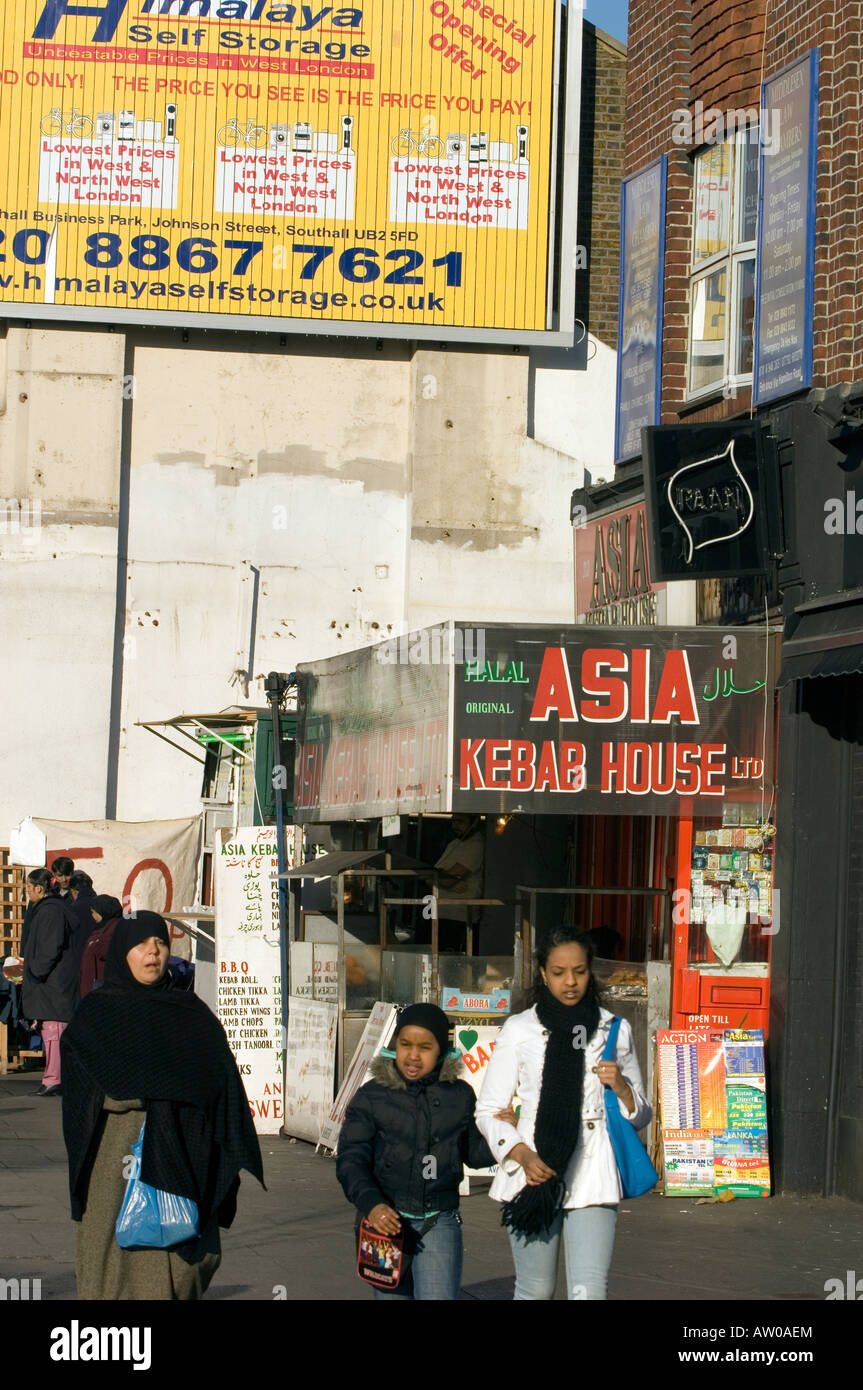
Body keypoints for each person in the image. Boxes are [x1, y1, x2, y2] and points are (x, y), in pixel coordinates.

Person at [60, 912, 264, 1301]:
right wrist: (145, 1092)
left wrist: (182, 1103)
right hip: (112, 1154)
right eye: (141, 944)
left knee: (179, 1261)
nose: (152, 952)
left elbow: (222, 1086)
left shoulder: (191, 1015)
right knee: (110, 1257)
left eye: (160, 943)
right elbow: (80, 1087)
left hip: (182, 1152)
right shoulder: (96, 1014)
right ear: (122, 953)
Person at [475, 926, 650, 1301]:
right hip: (534, 1173)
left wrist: (621, 1087)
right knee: (535, 1291)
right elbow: (488, 1110)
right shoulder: (519, 1029)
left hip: (593, 1171)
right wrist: (520, 1153)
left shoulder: (613, 1030)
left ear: (591, 971)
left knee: (588, 1292)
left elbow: (642, 1116)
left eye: (580, 971)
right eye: (558, 972)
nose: (570, 982)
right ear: (542, 974)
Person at [336, 1002, 494, 1301]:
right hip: (383, 1224)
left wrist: (502, 1132)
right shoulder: (372, 1096)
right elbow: (351, 1160)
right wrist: (372, 1204)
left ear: (442, 1051)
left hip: (439, 1221)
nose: (413, 1055)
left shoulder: (459, 1095)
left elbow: (474, 1153)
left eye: (425, 1047)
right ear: (394, 1044)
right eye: (405, 1044)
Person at [21, 868, 79, 1096]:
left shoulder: (50, 911)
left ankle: (54, 1078)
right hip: (54, 980)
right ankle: (52, 1076)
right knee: (51, 1030)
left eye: (28, 887)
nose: (27, 891)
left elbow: (48, 948)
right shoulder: (51, 909)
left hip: (53, 981)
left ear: (39, 888)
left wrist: (35, 971)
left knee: (53, 1030)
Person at [434, 814, 485, 952]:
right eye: (453, 822)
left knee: (456, 962)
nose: (455, 826)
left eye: (460, 822)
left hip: (461, 917)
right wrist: (438, 879)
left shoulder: (476, 845)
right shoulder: (454, 844)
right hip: (441, 911)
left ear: (474, 822)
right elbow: (430, 876)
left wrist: (437, 879)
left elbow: (447, 879)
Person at [78, 895, 124, 997]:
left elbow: (104, 951)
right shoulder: (102, 929)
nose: (92, 915)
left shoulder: (114, 929)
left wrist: (96, 943)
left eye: (94, 912)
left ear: (103, 911)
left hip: (103, 987)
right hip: (94, 985)